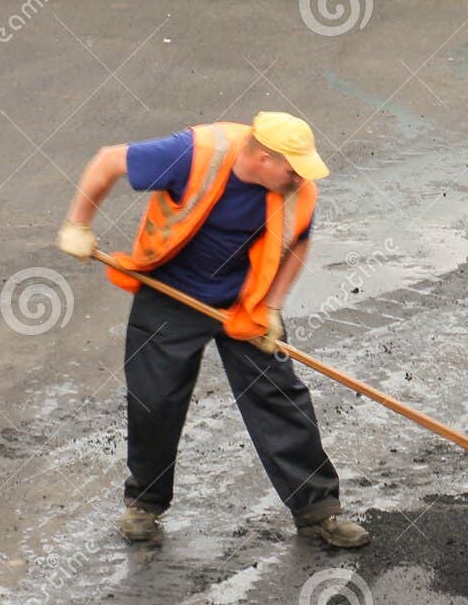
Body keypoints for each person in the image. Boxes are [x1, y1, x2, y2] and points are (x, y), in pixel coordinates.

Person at [57, 113, 370, 550]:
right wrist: (79, 224)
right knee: (155, 400)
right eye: (292, 167)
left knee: (278, 396)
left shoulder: (297, 190)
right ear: (263, 159)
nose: (300, 177)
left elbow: (297, 242)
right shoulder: (194, 154)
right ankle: (145, 504)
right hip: (168, 292)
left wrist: (274, 308)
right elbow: (109, 161)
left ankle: (318, 511)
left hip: (245, 301)